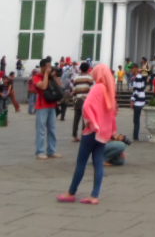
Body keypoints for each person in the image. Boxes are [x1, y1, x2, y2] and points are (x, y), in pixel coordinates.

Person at [57, 64, 117, 205]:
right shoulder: (109, 90)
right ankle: (94, 195)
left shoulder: (97, 88)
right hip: (103, 134)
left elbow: (87, 106)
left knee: (81, 162)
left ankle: (71, 192)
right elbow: (112, 113)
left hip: (91, 131)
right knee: (98, 163)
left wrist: (92, 122)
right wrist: (112, 131)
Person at [32, 58, 61, 159]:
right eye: (47, 66)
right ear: (43, 67)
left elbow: (59, 87)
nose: (49, 68)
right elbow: (43, 87)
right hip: (42, 106)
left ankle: (51, 151)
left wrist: (55, 76)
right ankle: (40, 151)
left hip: (52, 105)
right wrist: (46, 75)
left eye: (50, 66)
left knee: (52, 129)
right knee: (41, 130)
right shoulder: (36, 77)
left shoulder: (50, 77)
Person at [70, 61, 94, 141]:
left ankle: (74, 136)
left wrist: (75, 99)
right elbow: (92, 91)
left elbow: (73, 90)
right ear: (88, 69)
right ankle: (84, 135)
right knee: (85, 119)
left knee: (76, 119)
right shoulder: (90, 78)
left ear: (80, 69)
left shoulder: (76, 78)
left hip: (77, 100)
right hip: (86, 101)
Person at [129, 64, 147, 141]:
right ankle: (135, 135)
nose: (131, 70)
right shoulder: (139, 77)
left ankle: (136, 136)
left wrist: (132, 100)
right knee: (136, 119)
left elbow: (137, 90)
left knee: (136, 120)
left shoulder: (138, 77)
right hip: (141, 99)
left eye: (132, 68)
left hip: (138, 101)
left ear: (136, 68)